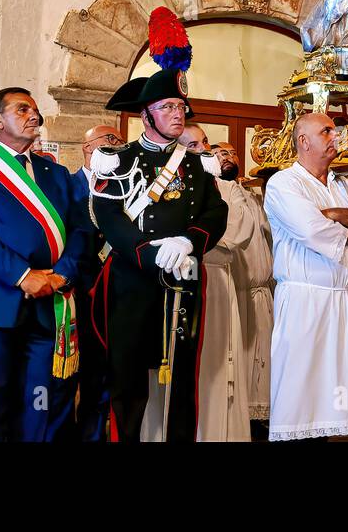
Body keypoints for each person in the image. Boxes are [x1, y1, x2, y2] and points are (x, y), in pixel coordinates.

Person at [90, 69, 229, 442]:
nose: (178, 113)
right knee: (128, 380)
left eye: (181, 106)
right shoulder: (117, 161)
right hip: (134, 282)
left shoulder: (198, 164)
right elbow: (109, 219)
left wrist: (188, 242)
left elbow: (216, 213)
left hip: (183, 280)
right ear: (145, 115)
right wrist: (148, 254)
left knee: (183, 381)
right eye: (167, 106)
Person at [0, 87, 89, 441]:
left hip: (47, 305)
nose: (33, 115)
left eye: (35, 110)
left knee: (40, 404)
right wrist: (23, 275)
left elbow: (82, 228)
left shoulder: (55, 173)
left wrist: (61, 274)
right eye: (22, 109)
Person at [263, 113, 348, 440]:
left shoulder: (347, 185)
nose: (336, 136)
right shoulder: (283, 183)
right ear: (304, 141)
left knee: (337, 392)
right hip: (306, 299)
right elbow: (312, 230)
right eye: (326, 131)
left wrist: (340, 217)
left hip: (346, 299)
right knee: (301, 390)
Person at [176, 124, 255, 441]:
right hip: (177, 280)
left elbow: (236, 234)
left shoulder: (227, 189)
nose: (204, 149)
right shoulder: (168, 183)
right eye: (193, 144)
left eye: (205, 142)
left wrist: (188, 237)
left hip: (216, 279)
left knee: (216, 366)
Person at [215, 140, 274, 433]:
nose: (228, 157)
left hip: (262, 289)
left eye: (231, 152)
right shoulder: (215, 192)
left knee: (265, 354)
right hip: (234, 286)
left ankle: (261, 412)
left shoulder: (254, 196)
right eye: (220, 153)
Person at [72, 124, 119, 442]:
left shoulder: (121, 187)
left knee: (106, 373)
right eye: (111, 140)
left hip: (114, 293)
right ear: (89, 149)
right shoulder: (67, 184)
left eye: (119, 140)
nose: (118, 145)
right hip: (77, 294)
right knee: (79, 376)